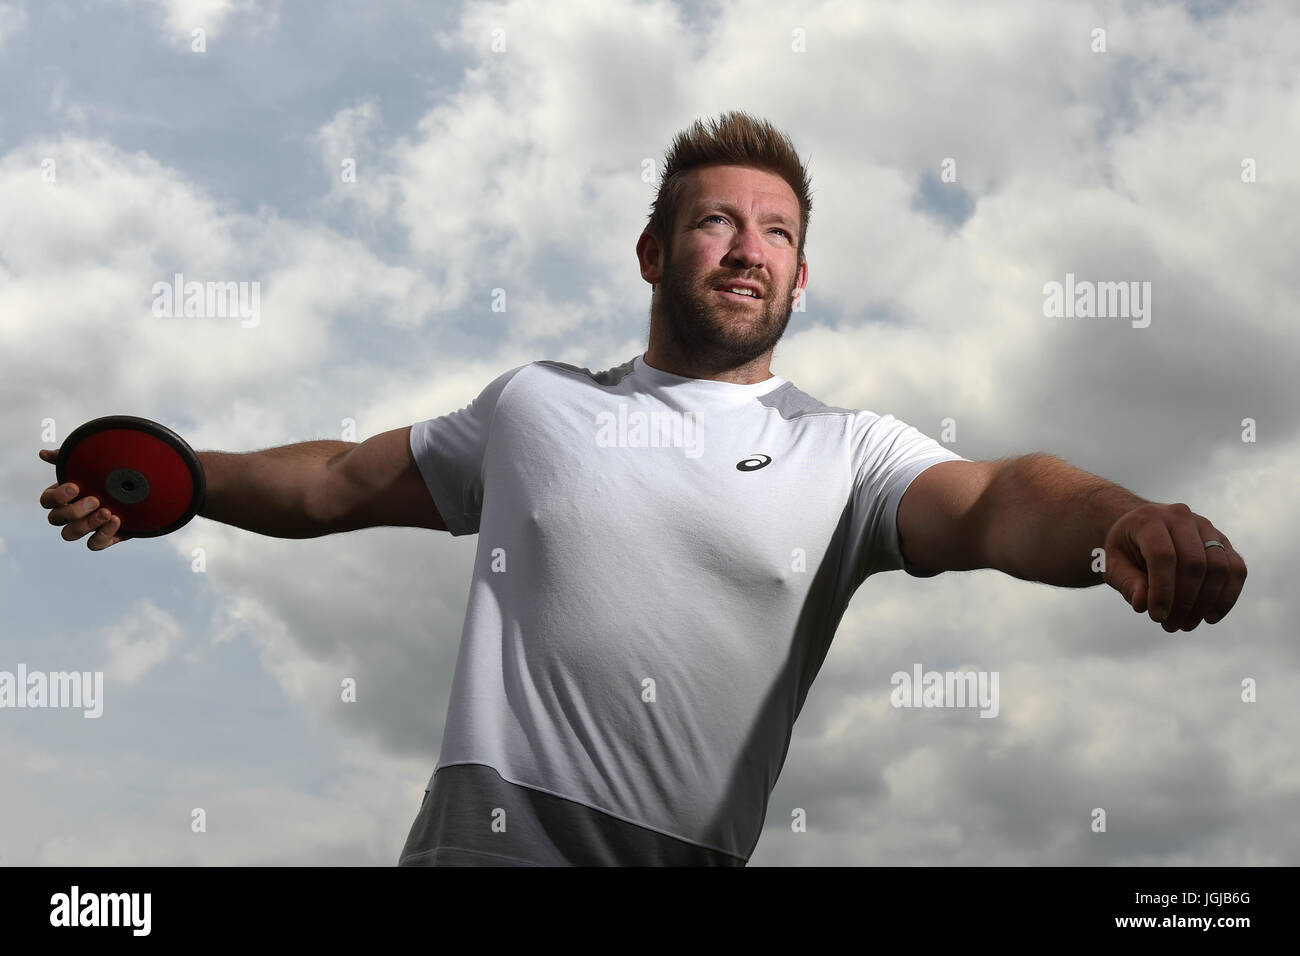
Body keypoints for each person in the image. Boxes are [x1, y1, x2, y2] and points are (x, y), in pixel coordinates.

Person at [39, 112, 1248, 867]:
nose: (744, 247)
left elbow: (998, 496)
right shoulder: (537, 405)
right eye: (714, 221)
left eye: (774, 232)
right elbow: (336, 481)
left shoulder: (850, 453)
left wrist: (1117, 522)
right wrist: (183, 480)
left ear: (800, 274)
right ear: (652, 253)